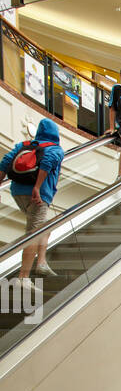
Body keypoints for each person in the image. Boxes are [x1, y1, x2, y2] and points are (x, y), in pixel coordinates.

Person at [0, 117, 65, 281]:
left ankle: (41, 262)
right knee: (34, 234)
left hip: (17, 192)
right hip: (38, 196)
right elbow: (47, 164)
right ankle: (23, 277)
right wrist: (37, 187)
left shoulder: (24, 146)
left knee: (46, 226)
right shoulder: (55, 149)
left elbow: (5, 162)